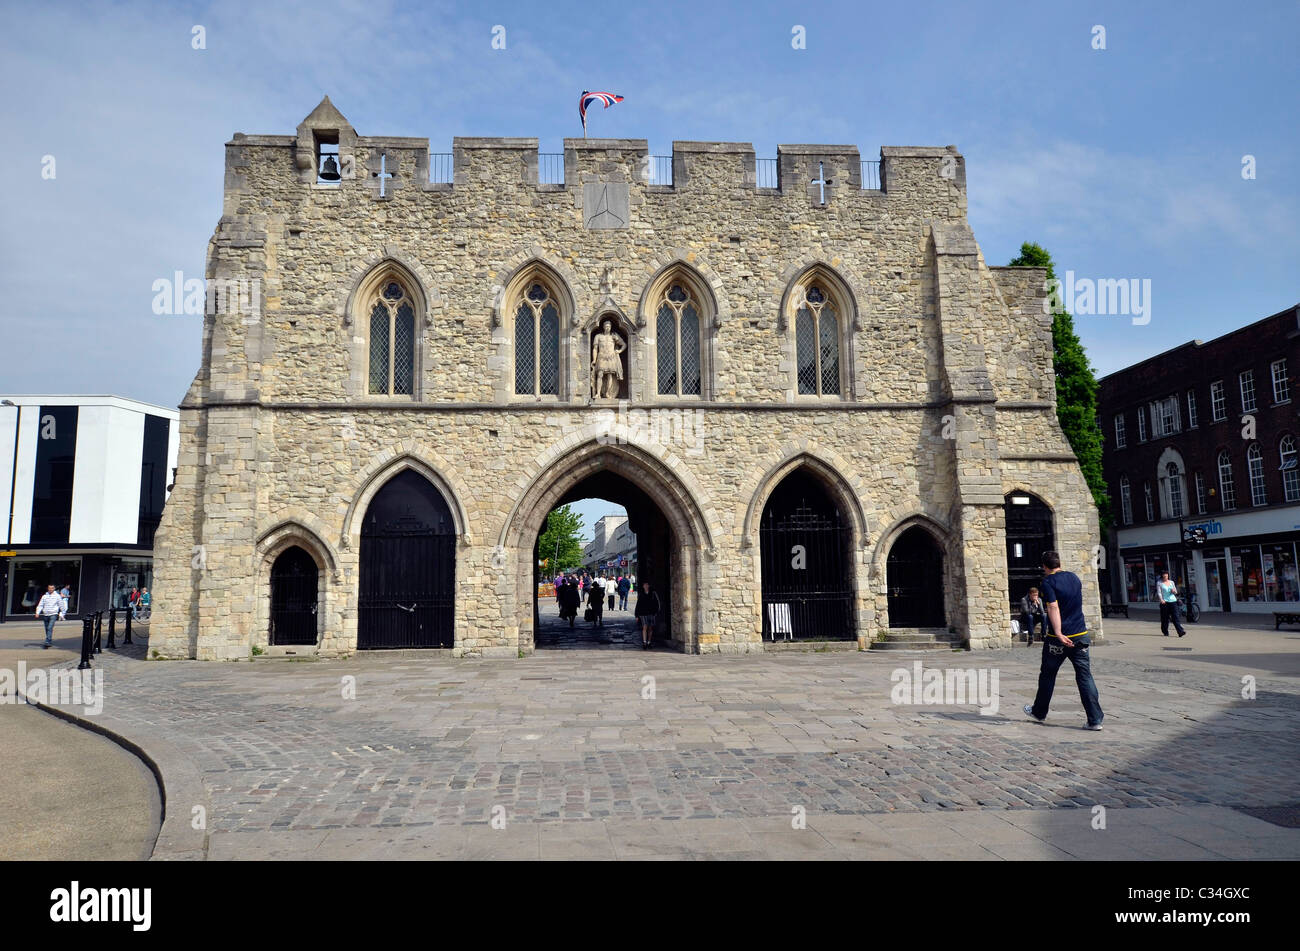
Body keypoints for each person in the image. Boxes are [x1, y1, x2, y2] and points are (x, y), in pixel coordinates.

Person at [1024, 551, 1104, 731]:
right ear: (1059, 563)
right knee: (1085, 676)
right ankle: (1095, 719)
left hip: (1058, 639)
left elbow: (1053, 606)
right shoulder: (1074, 578)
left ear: (1045, 566)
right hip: (1080, 634)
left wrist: (1059, 633)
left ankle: (1039, 712)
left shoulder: (1048, 582)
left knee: (1048, 674)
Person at [1156, 571, 1187, 637]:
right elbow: (1159, 593)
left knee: (1176, 617)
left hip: (1173, 601)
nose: (1165, 578)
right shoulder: (1159, 583)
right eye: (1164, 576)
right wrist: (1161, 600)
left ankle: (1180, 632)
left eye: (1166, 576)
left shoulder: (1171, 582)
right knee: (1165, 618)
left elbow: (1175, 591)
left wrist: (1174, 591)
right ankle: (1165, 631)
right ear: (1162, 576)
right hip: (1165, 602)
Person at [34, 583, 63, 649]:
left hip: (53, 614)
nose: (50, 589)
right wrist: (37, 612)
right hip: (46, 614)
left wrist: (62, 613)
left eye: (52, 588)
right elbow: (40, 605)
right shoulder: (44, 596)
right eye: (49, 588)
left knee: (50, 628)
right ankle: (49, 640)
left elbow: (61, 605)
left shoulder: (57, 596)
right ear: (48, 588)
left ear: (54, 588)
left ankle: (48, 641)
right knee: (47, 628)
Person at [634, 580, 660, 650]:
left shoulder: (653, 593)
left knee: (650, 628)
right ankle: (644, 642)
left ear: (648, 585)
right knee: (645, 627)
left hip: (651, 613)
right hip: (643, 613)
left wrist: (656, 612)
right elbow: (638, 605)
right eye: (644, 585)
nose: (645, 586)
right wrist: (636, 615)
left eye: (646, 585)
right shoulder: (641, 594)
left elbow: (657, 603)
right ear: (643, 586)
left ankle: (649, 641)